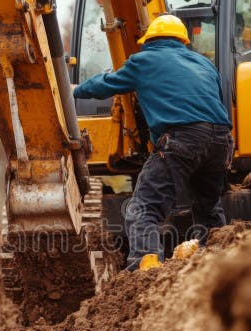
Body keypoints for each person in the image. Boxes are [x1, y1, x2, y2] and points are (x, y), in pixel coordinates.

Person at [73, 14, 233, 271]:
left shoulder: (144, 60)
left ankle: (145, 266)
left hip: (181, 139)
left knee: (143, 208)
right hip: (221, 142)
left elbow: (106, 85)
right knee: (209, 207)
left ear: (148, 40)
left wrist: (74, 91)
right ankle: (216, 261)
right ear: (183, 40)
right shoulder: (205, 63)